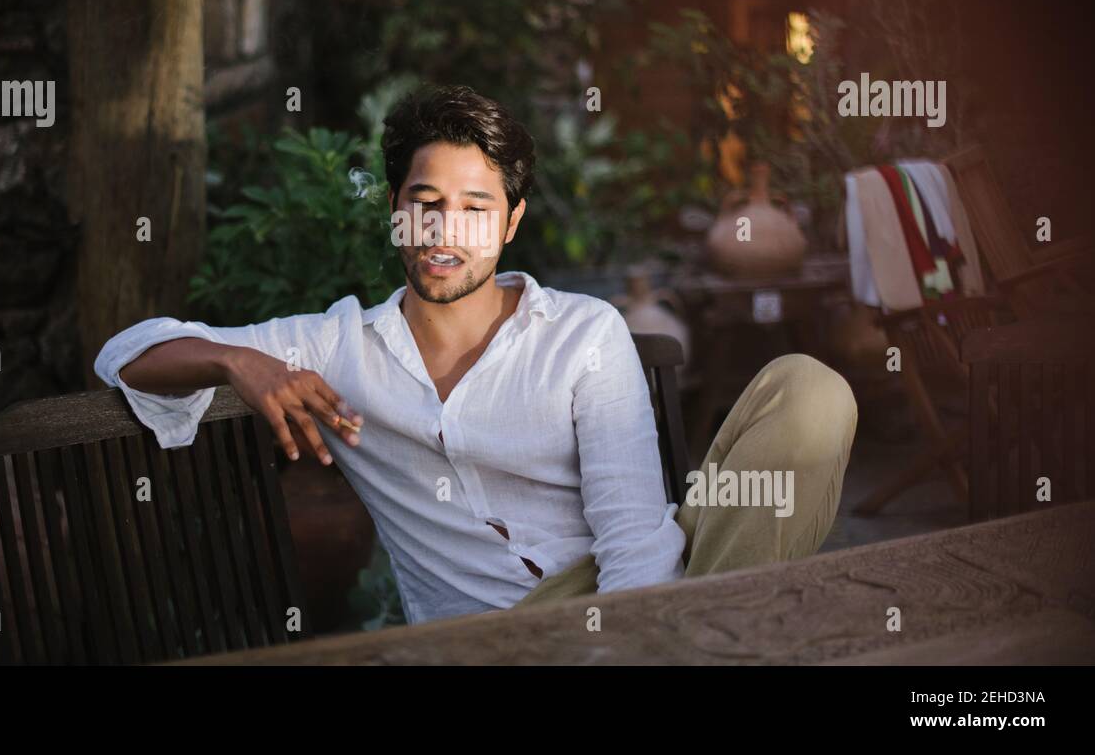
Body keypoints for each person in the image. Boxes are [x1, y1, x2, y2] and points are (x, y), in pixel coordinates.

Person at [94, 84, 857, 625]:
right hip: (490, 644)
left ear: (512, 221)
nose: (443, 232)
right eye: (424, 204)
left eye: (475, 208)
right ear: (395, 212)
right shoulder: (335, 345)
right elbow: (126, 354)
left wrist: (632, 642)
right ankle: (723, 640)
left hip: (624, 606)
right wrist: (240, 362)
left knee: (809, 391)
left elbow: (631, 539)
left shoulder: (584, 333)